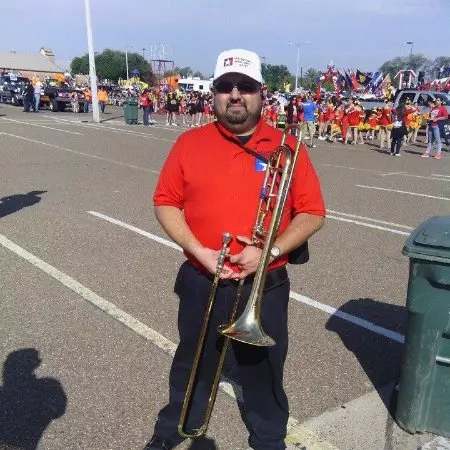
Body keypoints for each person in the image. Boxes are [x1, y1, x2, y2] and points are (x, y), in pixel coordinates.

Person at [148, 49, 325, 450]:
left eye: (245, 87)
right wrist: (199, 250)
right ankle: (174, 428)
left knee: (263, 368)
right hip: (201, 275)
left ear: (261, 94)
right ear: (213, 93)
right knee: (193, 359)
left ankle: (268, 437)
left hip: (265, 281)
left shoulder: (288, 147)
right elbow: (165, 201)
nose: (235, 94)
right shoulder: (189, 143)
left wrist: (267, 251)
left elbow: (312, 213)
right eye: (226, 86)